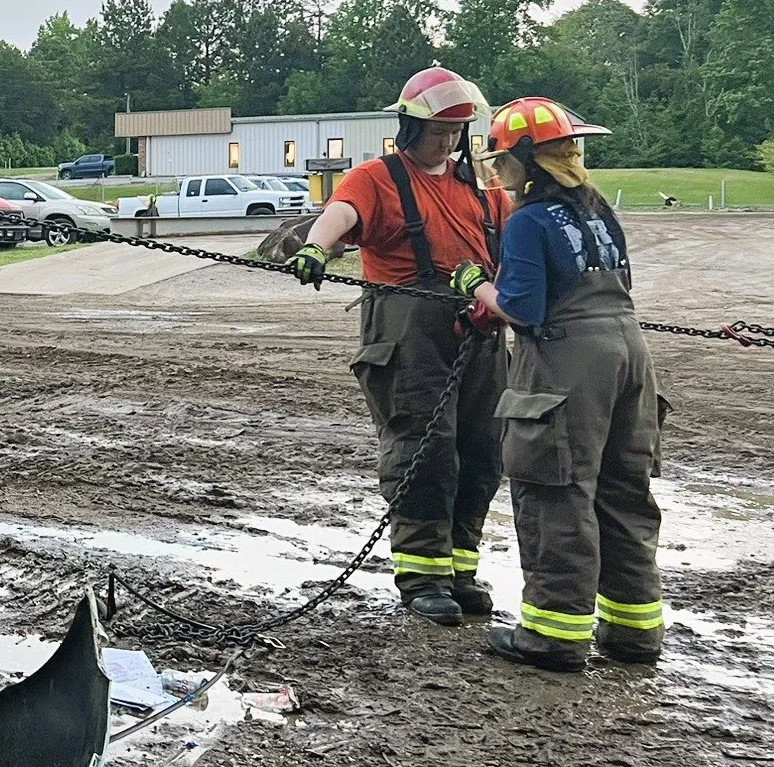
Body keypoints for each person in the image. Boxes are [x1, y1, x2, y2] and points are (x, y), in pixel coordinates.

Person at [284, 66, 509, 625]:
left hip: (480, 335)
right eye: (438, 130)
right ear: (409, 127)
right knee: (424, 452)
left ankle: (460, 569)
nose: (448, 141)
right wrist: (316, 246)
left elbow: (517, 243)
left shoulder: (481, 188)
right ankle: (422, 576)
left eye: (456, 131)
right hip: (407, 336)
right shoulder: (377, 178)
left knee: (483, 453)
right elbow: (340, 213)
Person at [450, 98, 662, 672]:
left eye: (501, 160)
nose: (497, 172)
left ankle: (554, 634)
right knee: (623, 493)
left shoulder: (529, 220)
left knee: (556, 491)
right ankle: (634, 632)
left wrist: (475, 285)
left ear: (526, 161)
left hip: (568, 366)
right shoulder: (598, 211)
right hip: (629, 355)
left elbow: (523, 307)